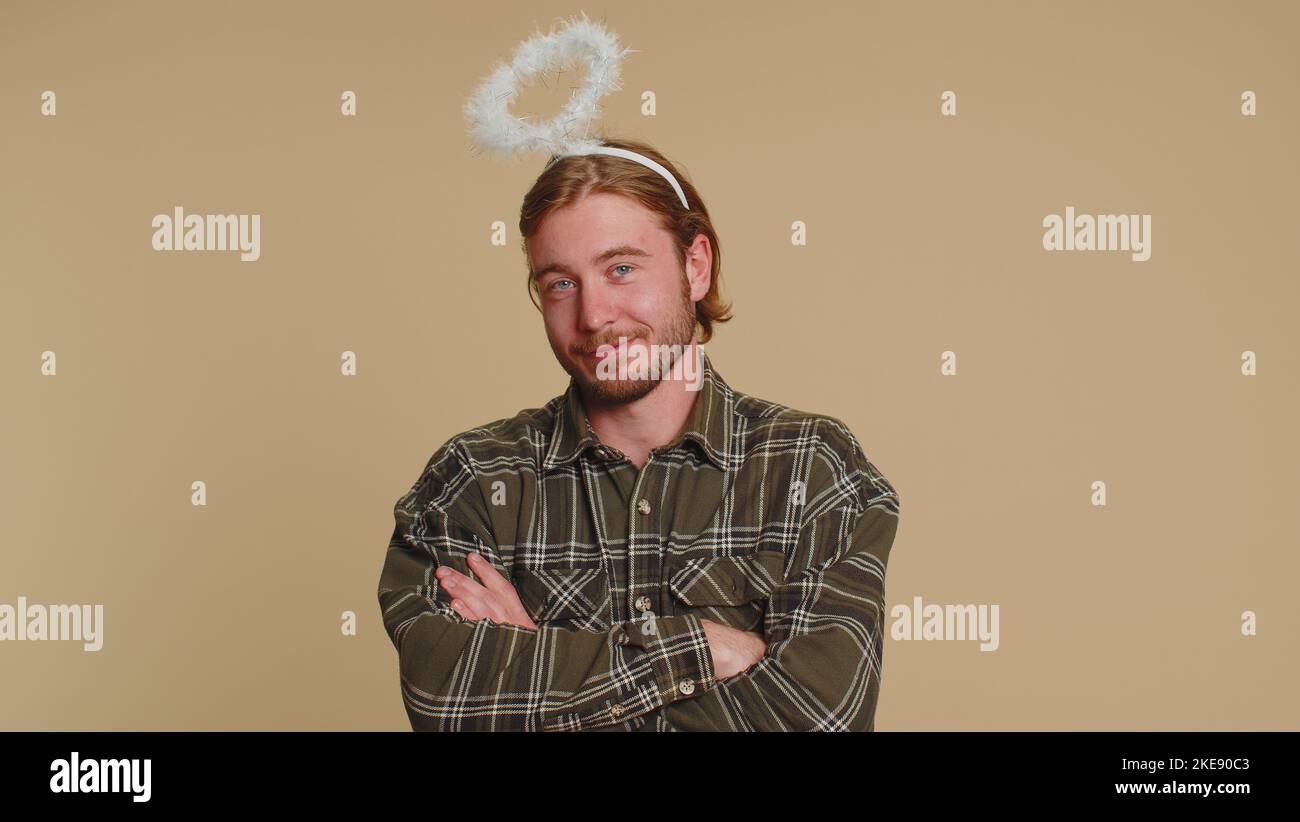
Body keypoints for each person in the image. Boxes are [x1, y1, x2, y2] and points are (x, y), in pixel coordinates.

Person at [377, 137, 900, 731]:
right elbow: (446, 703)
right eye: (560, 284)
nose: (595, 315)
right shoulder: (474, 478)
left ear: (695, 266)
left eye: (621, 268)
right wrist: (704, 648)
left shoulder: (810, 465)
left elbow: (818, 716)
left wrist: (537, 654)